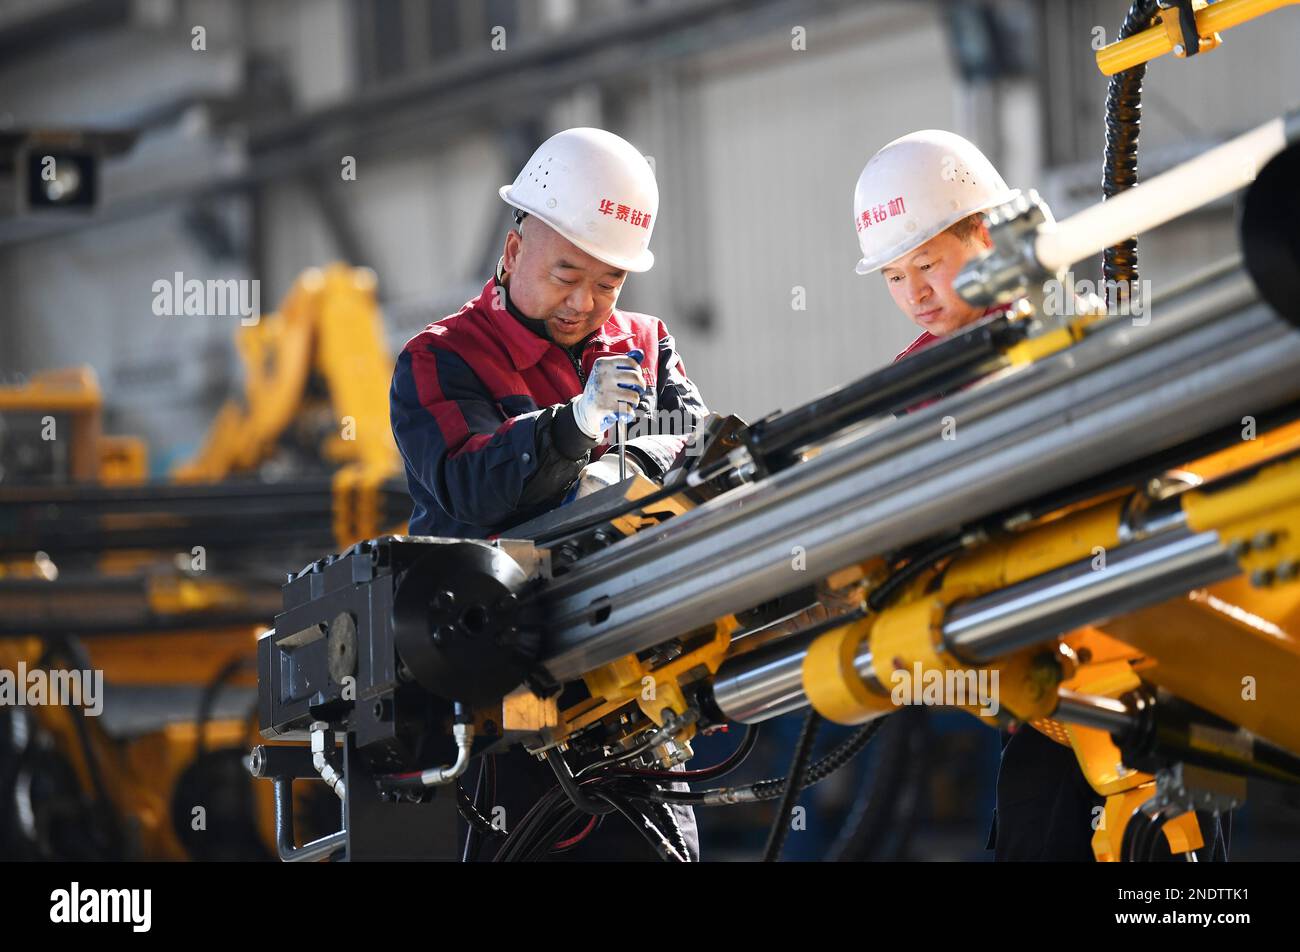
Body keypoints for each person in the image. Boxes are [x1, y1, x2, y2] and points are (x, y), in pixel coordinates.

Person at [390, 127, 707, 860]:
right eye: (567, 275)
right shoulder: (442, 359)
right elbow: (470, 487)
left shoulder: (645, 345)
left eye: (608, 284)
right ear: (512, 253)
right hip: (503, 705)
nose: (584, 303)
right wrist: (574, 427)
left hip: (637, 694)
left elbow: (696, 441)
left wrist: (625, 468)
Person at [852, 129, 1104, 860]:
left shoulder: (1061, 330)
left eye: (926, 263)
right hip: (1037, 699)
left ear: (985, 233)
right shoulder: (911, 380)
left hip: (1128, 665)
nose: (914, 294)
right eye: (895, 277)